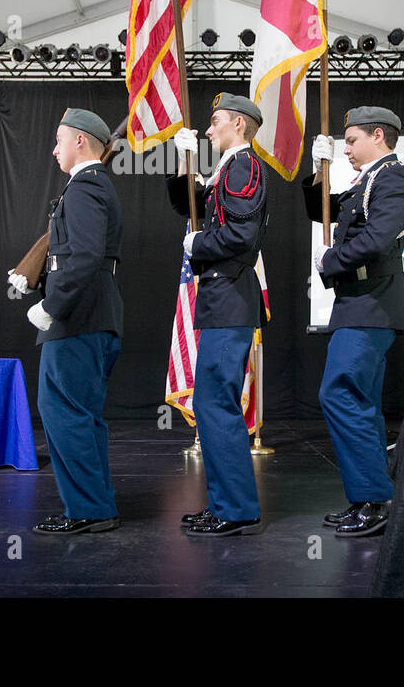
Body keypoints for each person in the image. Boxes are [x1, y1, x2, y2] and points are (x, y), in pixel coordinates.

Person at [11, 109, 124, 536]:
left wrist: (52, 306)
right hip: (93, 315)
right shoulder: (91, 186)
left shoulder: (85, 188)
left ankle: (89, 510)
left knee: (64, 413)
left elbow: (84, 257)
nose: (54, 148)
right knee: (81, 415)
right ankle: (94, 507)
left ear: (80, 141)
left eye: (60, 140)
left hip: (77, 317)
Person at [304, 108, 404, 537]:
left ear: (379, 135)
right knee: (358, 402)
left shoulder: (392, 177)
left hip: (372, 303)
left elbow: (378, 237)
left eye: (351, 140)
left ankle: (374, 497)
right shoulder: (365, 181)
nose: (345, 148)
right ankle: (370, 500)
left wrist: (330, 260)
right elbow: (322, 210)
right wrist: (319, 170)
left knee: (340, 394)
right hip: (358, 302)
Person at [169, 93, 268, 537]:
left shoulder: (242, 166)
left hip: (230, 299)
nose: (208, 130)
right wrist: (182, 161)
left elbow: (242, 236)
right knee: (212, 404)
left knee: (216, 404)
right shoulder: (226, 168)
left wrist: (198, 245)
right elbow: (183, 203)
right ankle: (225, 504)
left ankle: (236, 508)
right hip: (221, 298)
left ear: (239, 126)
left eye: (215, 123)